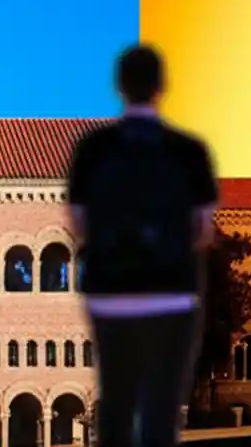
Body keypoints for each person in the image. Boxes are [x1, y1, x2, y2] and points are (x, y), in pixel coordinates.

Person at [67, 43, 219, 447]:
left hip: (111, 296)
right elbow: (204, 230)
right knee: (159, 412)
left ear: (119, 86)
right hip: (171, 297)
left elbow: (79, 225)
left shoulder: (93, 149)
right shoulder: (189, 151)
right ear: (161, 87)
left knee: (115, 405)